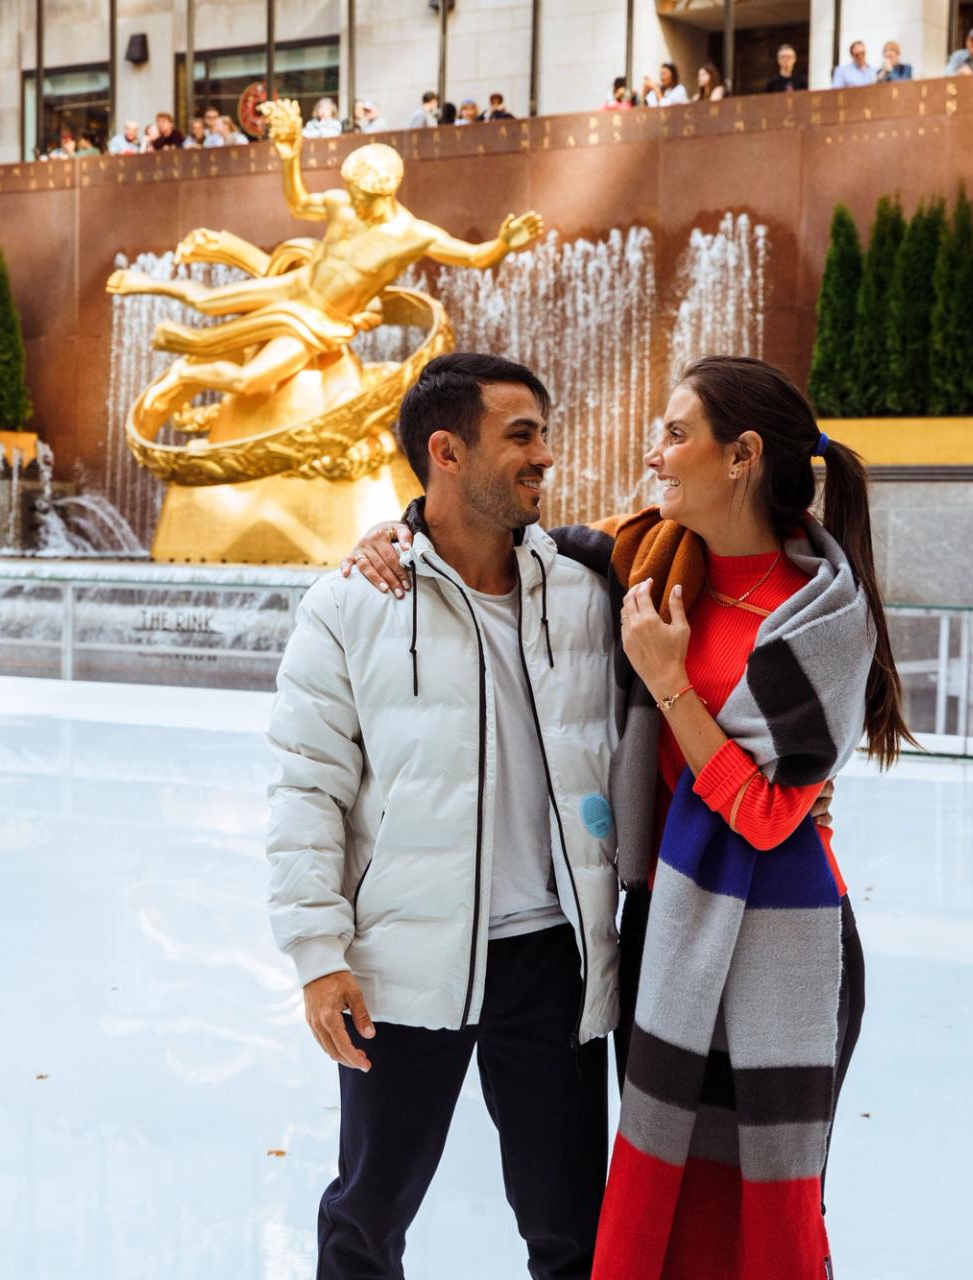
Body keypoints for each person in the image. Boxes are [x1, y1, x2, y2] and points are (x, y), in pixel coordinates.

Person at [340, 358, 880, 1280]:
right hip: (667, 932)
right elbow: (484, 536)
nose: (653, 453)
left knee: (761, 1210)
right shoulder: (646, 562)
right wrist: (397, 532)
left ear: (742, 456)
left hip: (776, 939)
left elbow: (761, 815)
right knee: (664, 1209)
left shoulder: (821, 616)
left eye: (675, 433)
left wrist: (669, 684)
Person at [268, 353, 622, 1280]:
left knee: (575, 1234)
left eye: (544, 434)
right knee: (366, 1222)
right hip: (403, 961)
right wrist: (319, 956)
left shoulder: (587, 591)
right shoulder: (350, 604)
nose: (545, 455)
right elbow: (307, 789)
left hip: (555, 963)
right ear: (447, 452)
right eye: (521, 436)